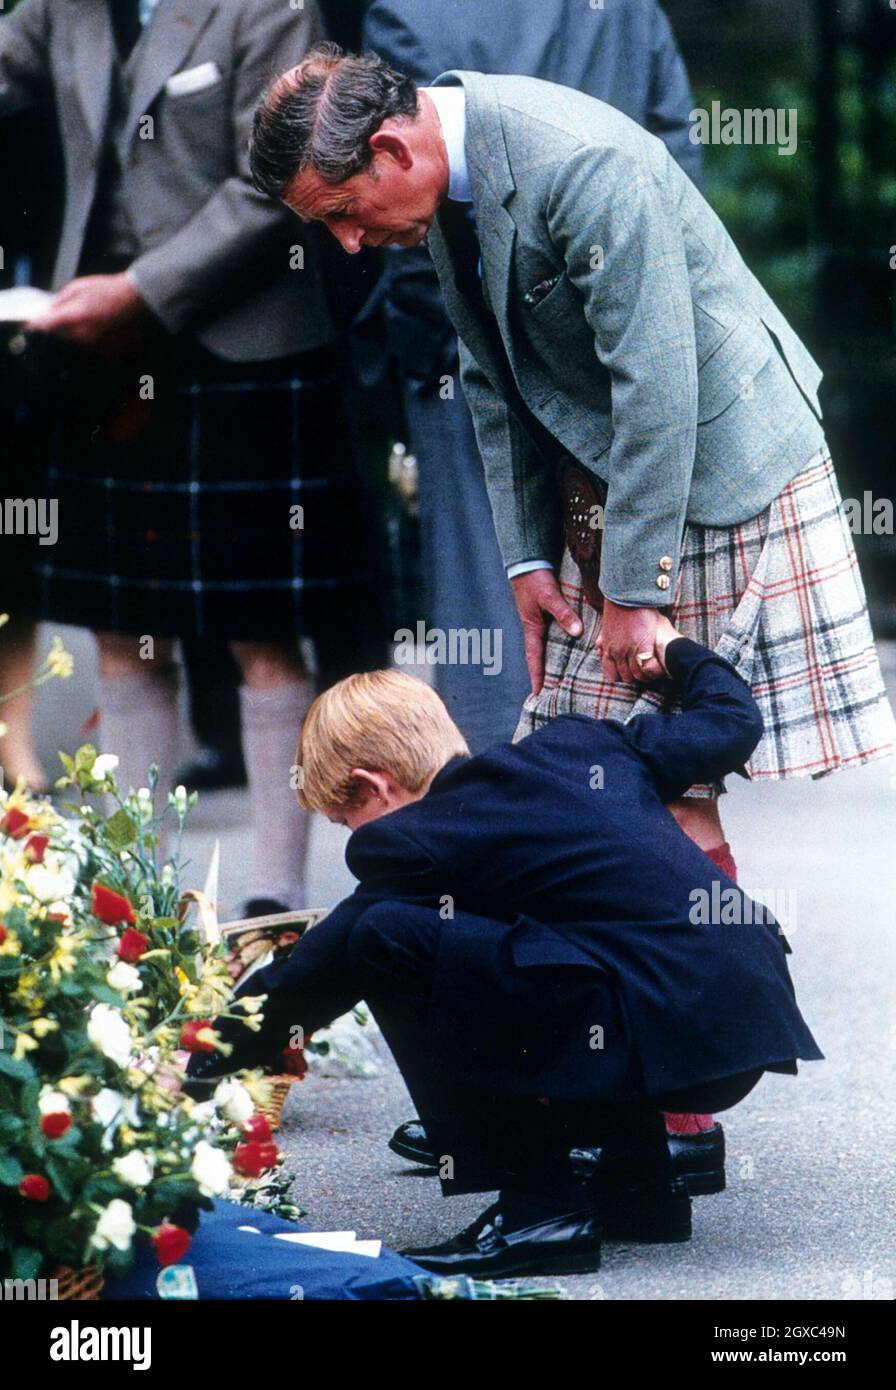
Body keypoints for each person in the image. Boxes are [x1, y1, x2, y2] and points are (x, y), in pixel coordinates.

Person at [246, 47, 895, 1141]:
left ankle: (670, 1111)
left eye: (346, 212)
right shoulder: (440, 192)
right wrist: (526, 558)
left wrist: (631, 586)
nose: (348, 242)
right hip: (625, 472)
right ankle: (592, 1090)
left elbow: (659, 380)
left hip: (721, 463)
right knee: (587, 768)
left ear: (393, 149)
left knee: (671, 785)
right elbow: (498, 388)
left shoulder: (576, 160)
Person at [188, 620, 822, 1279]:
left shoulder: (409, 837)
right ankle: (639, 1189)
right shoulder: (585, 743)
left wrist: (209, 1054)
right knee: (584, 943)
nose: (353, 836)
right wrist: (675, 653)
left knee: (385, 935)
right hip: (746, 1018)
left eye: (345, 816)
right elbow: (731, 720)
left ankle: (539, 1210)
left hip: (672, 1035)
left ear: (373, 786)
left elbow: (332, 955)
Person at [0, 1, 380, 916]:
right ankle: (145, 905)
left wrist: (138, 291)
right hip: (101, 352)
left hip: (240, 342)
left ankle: (274, 906)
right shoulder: (63, 2)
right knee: (123, 631)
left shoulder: (267, 6)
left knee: (261, 633)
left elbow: (278, 180)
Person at [360, 0, 701, 755]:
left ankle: (502, 802)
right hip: (620, 344)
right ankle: (634, 794)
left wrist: (431, 338)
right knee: (631, 588)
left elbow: (396, 199)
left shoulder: (406, 13)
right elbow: (676, 150)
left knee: (488, 605)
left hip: (473, 345)